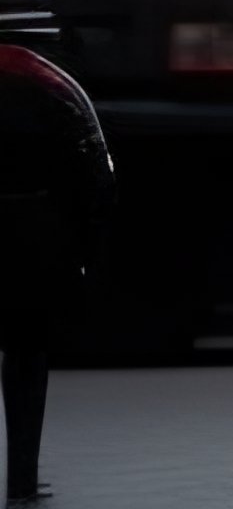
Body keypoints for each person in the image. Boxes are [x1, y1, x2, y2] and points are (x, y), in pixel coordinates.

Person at [0, 46, 112, 509]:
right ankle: (21, 484)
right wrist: (84, 250)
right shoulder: (50, 84)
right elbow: (96, 176)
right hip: (30, 239)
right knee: (25, 356)